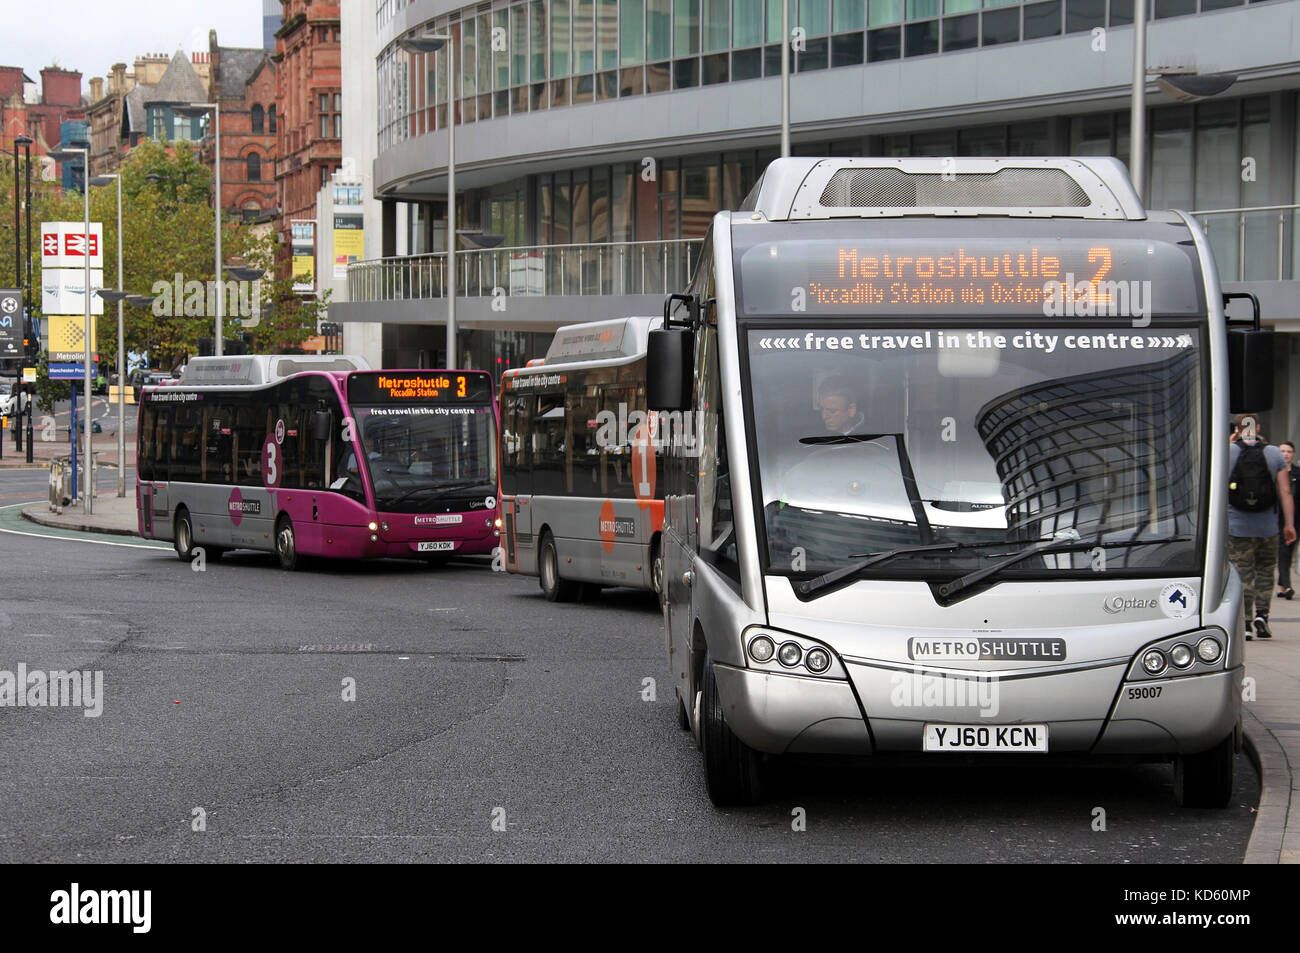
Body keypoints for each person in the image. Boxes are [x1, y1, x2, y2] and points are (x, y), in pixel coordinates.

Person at [1227, 414, 1296, 639]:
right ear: (1257, 427)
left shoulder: (1228, 451)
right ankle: (1262, 615)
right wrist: (1289, 524)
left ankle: (1245, 623)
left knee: (1242, 573)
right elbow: (1285, 491)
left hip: (1237, 527)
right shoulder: (1274, 452)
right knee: (1266, 570)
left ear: (1237, 428)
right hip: (1268, 526)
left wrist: (1230, 441)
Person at [1278, 441, 1300, 600]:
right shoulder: (1274, 472)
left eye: (1289, 451)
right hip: (1277, 519)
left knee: (1289, 552)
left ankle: (1281, 586)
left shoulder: (1298, 473)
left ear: (1293, 454)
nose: (1286, 454)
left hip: (1296, 519)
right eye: (1283, 451)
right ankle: (1286, 585)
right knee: (1283, 552)